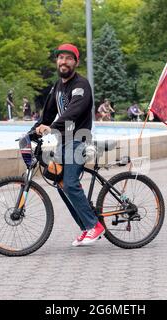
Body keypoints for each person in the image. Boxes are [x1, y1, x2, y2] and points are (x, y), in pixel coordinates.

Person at [30, 43, 105, 247]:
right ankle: (86, 227)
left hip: (78, 140)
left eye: (68, 58)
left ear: (76, 62)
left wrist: (51, 128)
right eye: (60, 58)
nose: (63, 61)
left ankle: (95, 226)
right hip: (63, 142)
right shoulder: (57, 86)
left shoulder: (81, 85)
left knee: (70, 183)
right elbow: (46, 115)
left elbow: (72, 112)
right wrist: (31, 132)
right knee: (61, 184)